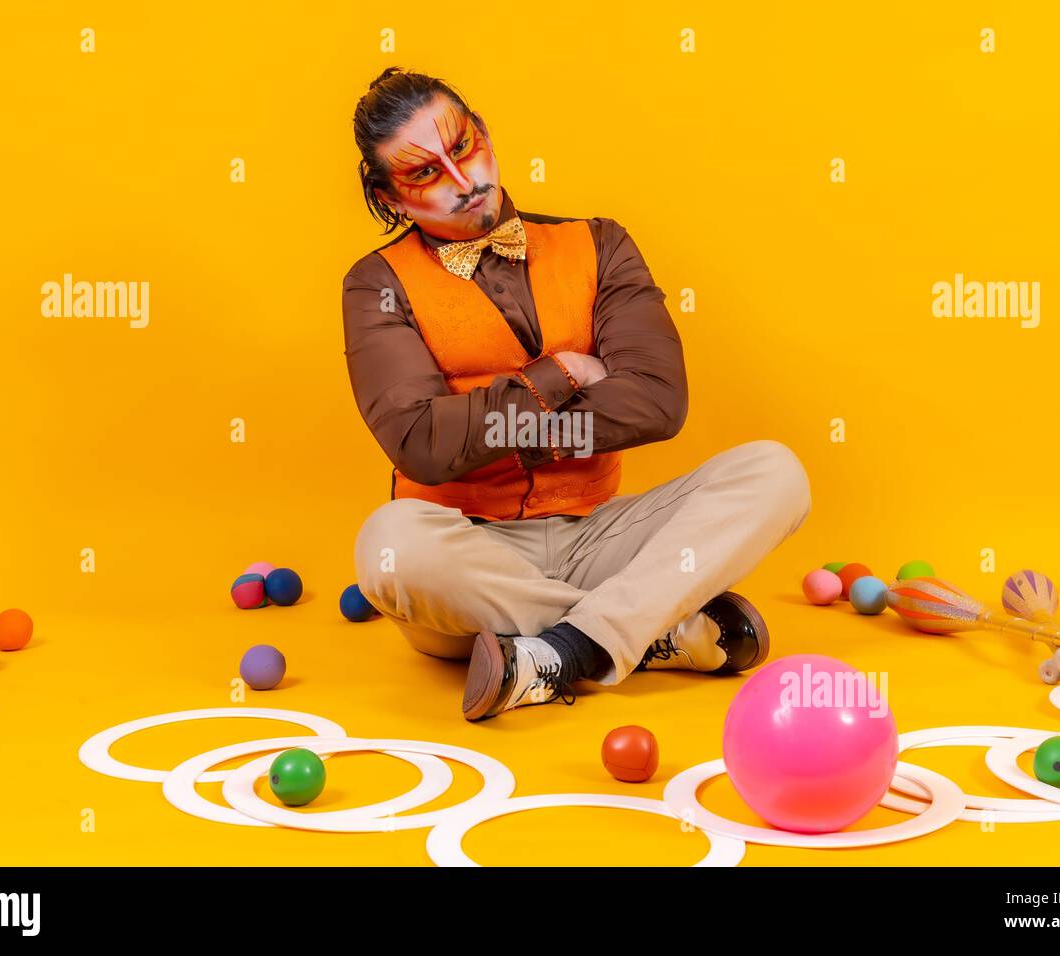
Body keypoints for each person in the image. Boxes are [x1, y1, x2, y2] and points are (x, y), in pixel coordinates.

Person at [343, 67, 811, 722]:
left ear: (485, 132)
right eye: (424, 173)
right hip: (469, 564)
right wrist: (559, 373)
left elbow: (657, 401)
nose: (463, 180)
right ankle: (648, 627)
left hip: (600, 535)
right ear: (387, 196)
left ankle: (562, 649)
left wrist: (495, 433)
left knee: (775, 472)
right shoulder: (375, 284)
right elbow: (422, 444)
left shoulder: (601, 243)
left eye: (465, 145)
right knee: (389, 545)